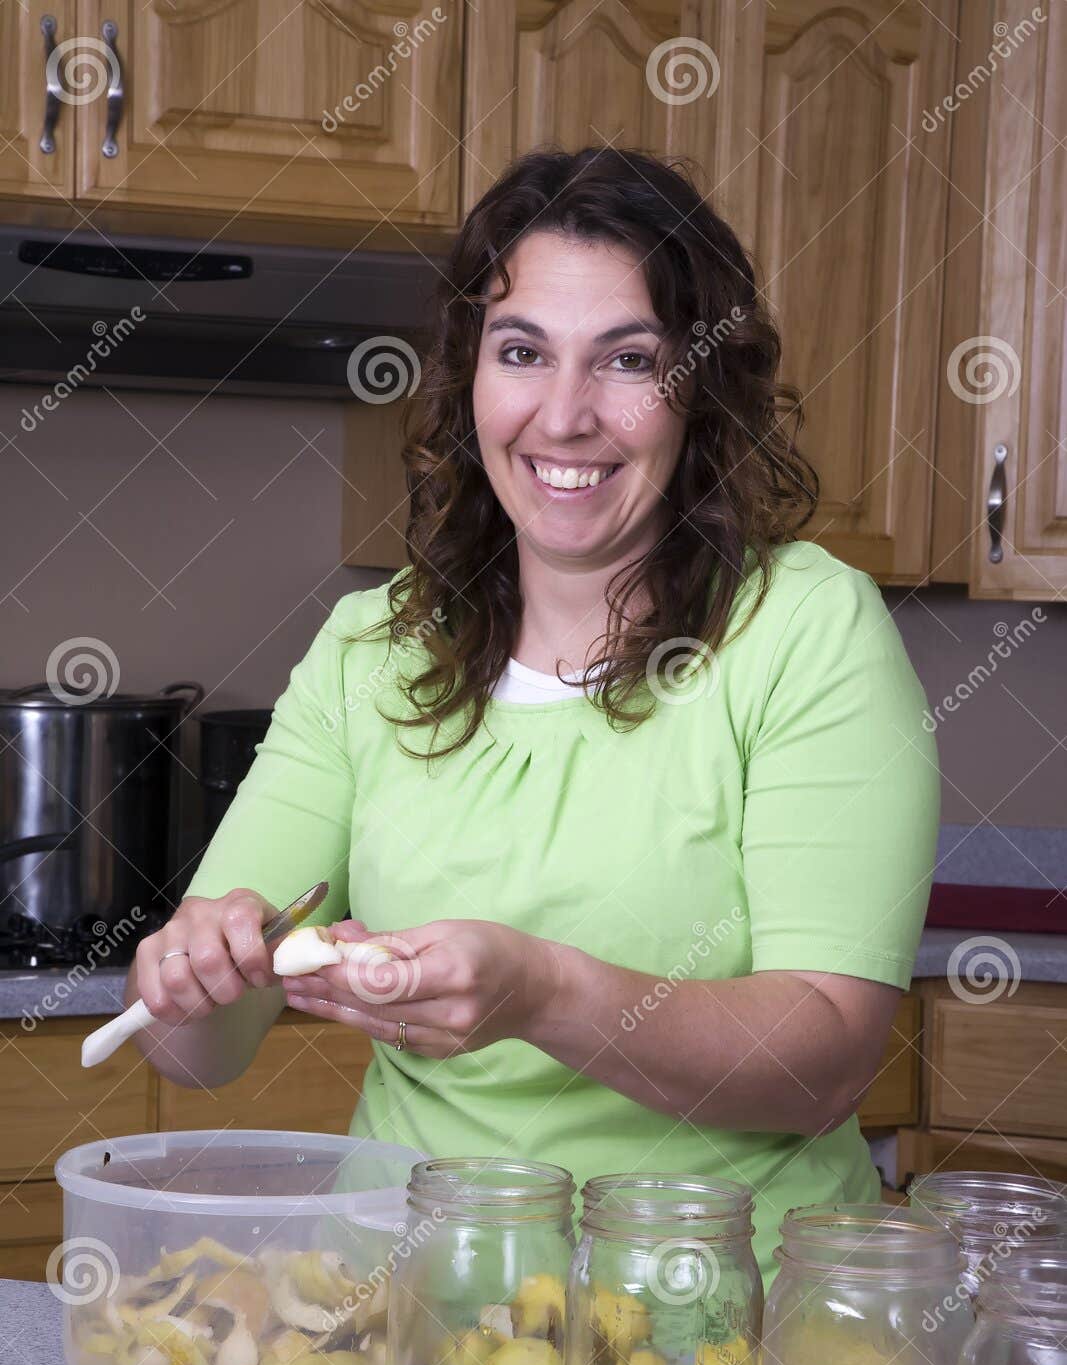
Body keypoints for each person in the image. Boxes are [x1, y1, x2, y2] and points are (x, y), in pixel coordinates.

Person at [126, 147, 939, 1281]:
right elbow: (197, 1049)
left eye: (627, 360)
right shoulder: (375, 645)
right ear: (470, 379)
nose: (563, 417)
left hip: (713, 1329)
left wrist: (538, 991)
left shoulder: (806, 630)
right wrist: (188, 977)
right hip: (405, 1320)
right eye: (521, 353)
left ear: (702, 390)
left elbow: (823, 1061)